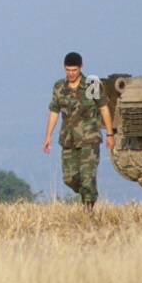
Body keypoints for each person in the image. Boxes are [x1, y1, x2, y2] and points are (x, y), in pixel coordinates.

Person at [43, 52, 114, 207]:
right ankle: (87, 194)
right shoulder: (59, 87)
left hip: (90, 139)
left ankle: (88, 209)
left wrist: (109, 134)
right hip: (68, 139)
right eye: (68, 70)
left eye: (74, 70)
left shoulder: (91, 85)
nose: (71, 73)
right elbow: (54, 111)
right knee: (69, 178)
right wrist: (48, 135)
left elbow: (104, 108)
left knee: (87, 177)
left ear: (81, 68)